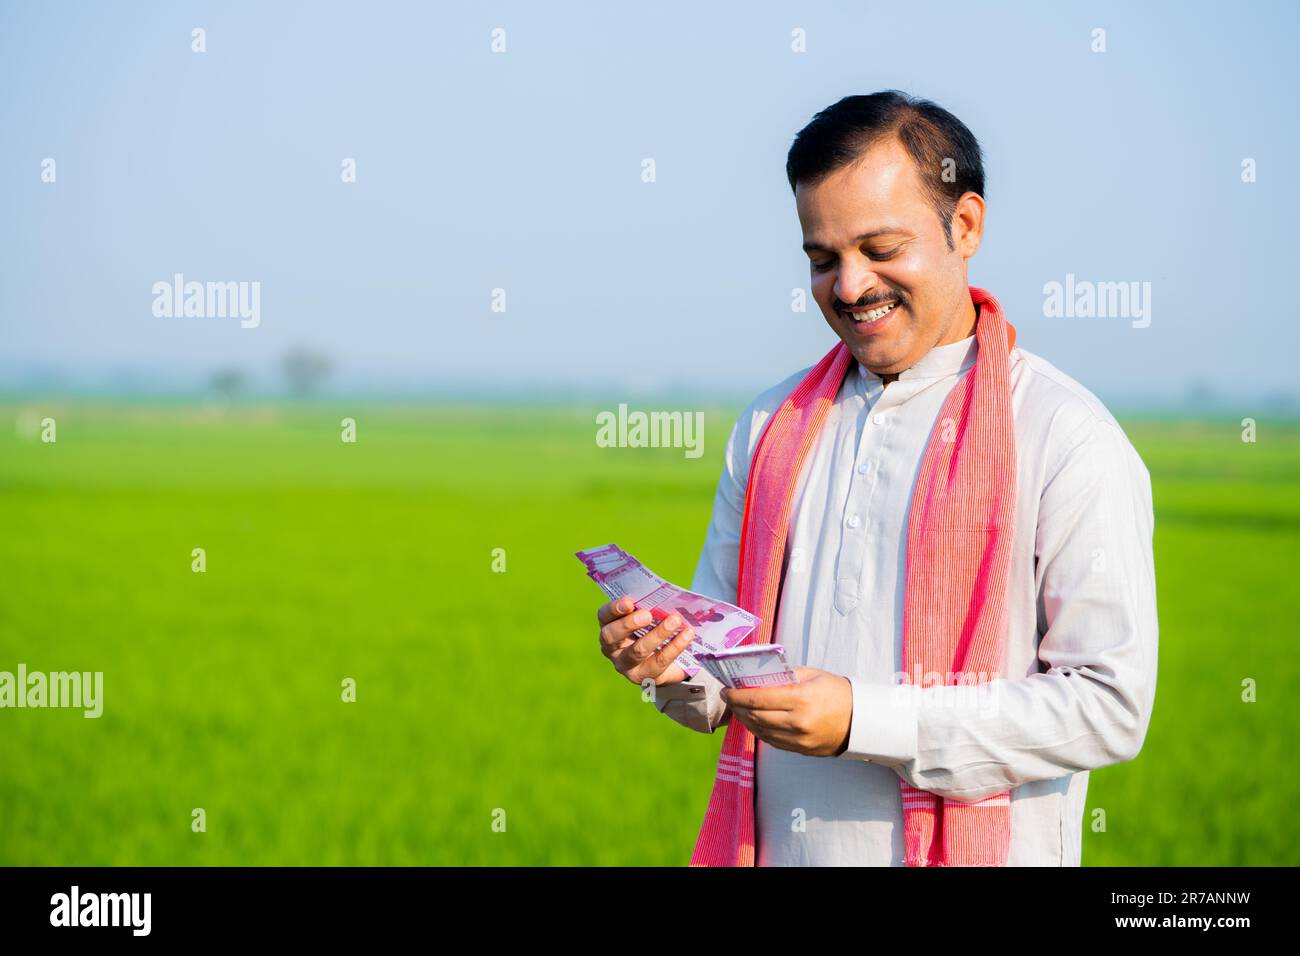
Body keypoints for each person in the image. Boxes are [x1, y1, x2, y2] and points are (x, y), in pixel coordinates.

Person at [595, 91, 1158, 866]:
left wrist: (865, 720)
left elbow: (1109, 707)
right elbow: (716, 683)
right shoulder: (770, 428)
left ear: (965, 226)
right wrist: (663, 666)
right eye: (823, 260)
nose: (851, 286)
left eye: (881, 248)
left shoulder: (1063, 433)